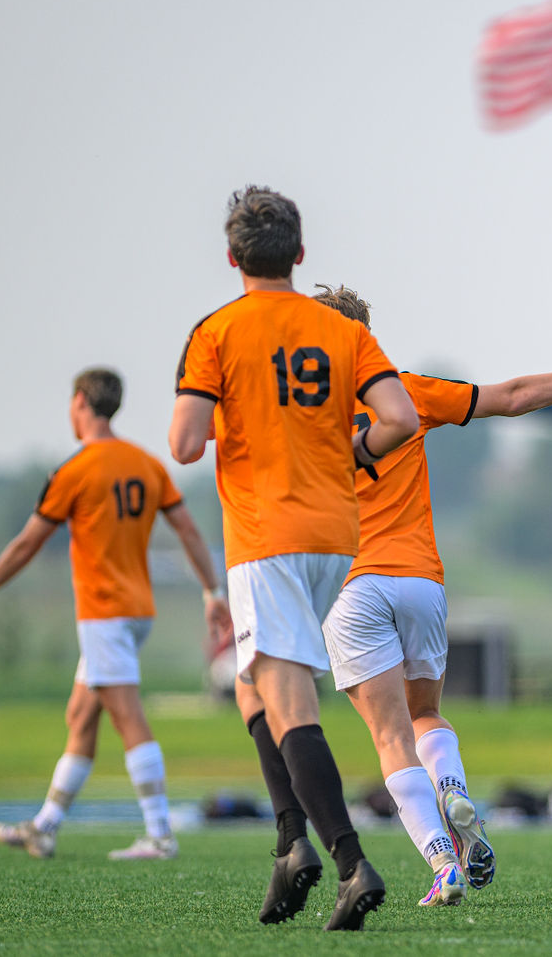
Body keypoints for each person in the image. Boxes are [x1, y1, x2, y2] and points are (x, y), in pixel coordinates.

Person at [310, 283, 552, 905]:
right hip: (420, 581)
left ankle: (443, 864)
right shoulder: (406, 391)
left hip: (352, 586)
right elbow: (512, 396)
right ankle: (452, 785)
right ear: (366, 339)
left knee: (391, 737)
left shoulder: (299, 415)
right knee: (425, 714)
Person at [169, 186, 419, 931]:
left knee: (289, 702)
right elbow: (399, 418)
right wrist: (350, 450)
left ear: (231, 257)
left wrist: (243, 417)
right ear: (300, 252)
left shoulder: (216, 330)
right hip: (336, 534)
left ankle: (347, 861)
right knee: (253, 683)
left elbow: (184, 443)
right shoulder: (339, 330)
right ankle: (288, 841)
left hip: (265, 535)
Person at [0, 368, 224, 861]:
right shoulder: (146, 464)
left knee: (128, 717)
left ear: (79, 402)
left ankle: (160, 835)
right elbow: (189, 531)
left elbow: (28, 543)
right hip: (138, 612)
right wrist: (211, 591)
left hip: (104, 614)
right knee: (80, 715)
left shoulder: (75, 470)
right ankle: (44, 827)